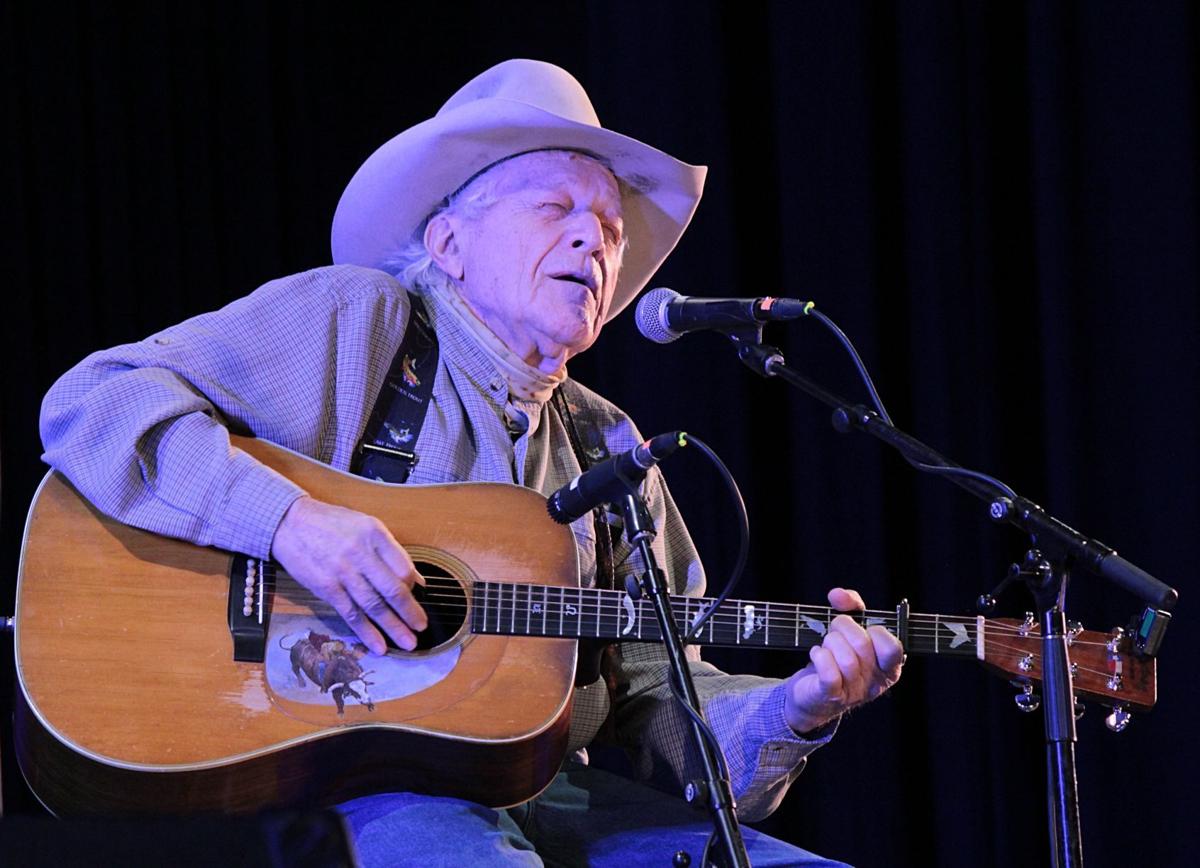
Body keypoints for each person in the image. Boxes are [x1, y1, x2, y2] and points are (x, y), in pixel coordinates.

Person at [40, 59, 903, 866]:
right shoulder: (362, 324)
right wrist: (290, 523)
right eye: (554, 209)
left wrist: (802, 707)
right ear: (450, 244)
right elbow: (94, 399)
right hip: (350, 775)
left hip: (552, 794)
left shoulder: (611, 448)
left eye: (607, 226)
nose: (593, 243)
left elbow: (661, 698)